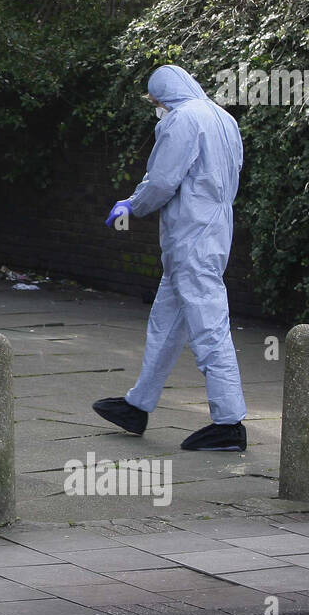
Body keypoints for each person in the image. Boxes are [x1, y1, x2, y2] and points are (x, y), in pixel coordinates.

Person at [94, 65, 248, 451]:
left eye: (156, 101)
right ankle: (137, 406)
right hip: (211, 229)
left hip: (190, 235)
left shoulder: (182, 119)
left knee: (210, 326)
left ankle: (229, 423)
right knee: (166, 325)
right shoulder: (223, 118)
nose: (157, 107)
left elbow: (163, 181)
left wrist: (133, 204)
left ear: (163, 94)